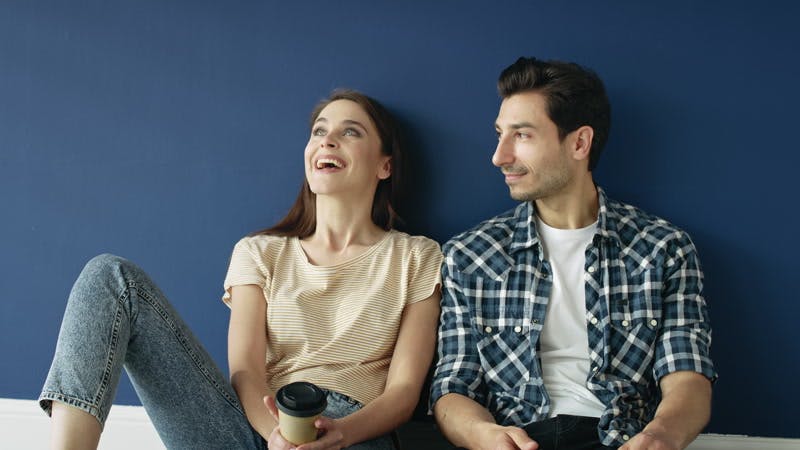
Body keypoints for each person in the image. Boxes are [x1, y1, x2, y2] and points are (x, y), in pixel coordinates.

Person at [39, 89, 443, 450]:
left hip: (353, 431)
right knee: (109, 276)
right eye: (319, 131)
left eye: (351, 132)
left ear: (384, 166)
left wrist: (341, 434)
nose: (328, 140)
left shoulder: (417, 257)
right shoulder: (259, 252)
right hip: (256, 427)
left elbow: (404, 392)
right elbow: (247, 372)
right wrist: (277, 437)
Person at [430, 57, 716, 450]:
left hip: (621, 438)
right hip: (520, 438)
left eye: (522, 135)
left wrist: (659, 438)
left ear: (580, 142)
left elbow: (687, 375)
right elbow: (453, 386)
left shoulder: (663, 248)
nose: (499, 156)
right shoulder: (470, 255)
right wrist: (485, 436)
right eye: (500, 134)